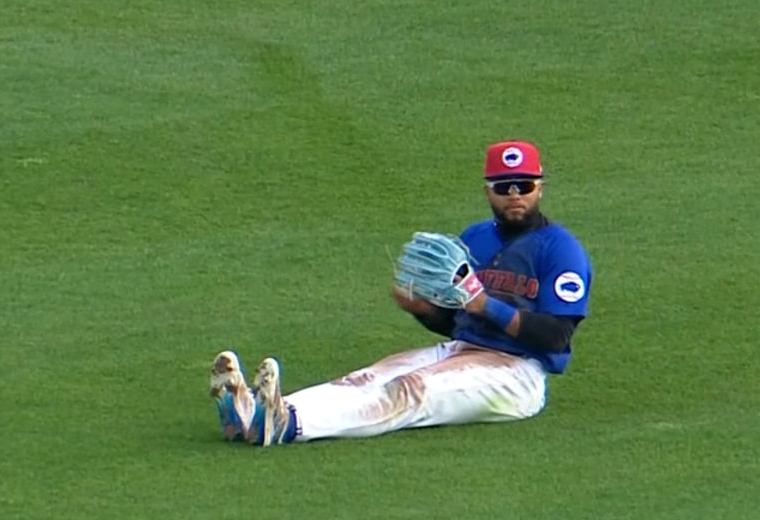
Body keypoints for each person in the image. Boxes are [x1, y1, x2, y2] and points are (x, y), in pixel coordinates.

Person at [209, 140, 592, 446]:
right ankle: (255, 413)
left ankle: (289, 423)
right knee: (363, 378)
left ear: (540, 187)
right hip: (464, 351)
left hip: (519, 375)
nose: (514, 195)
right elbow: (459, 324)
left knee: (410, 390)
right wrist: (423, 311)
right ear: (487, 191)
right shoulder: (476, 238)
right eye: (503, 187)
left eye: (523, 185)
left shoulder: (560, 249)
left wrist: (485, 305)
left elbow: (557, 338)